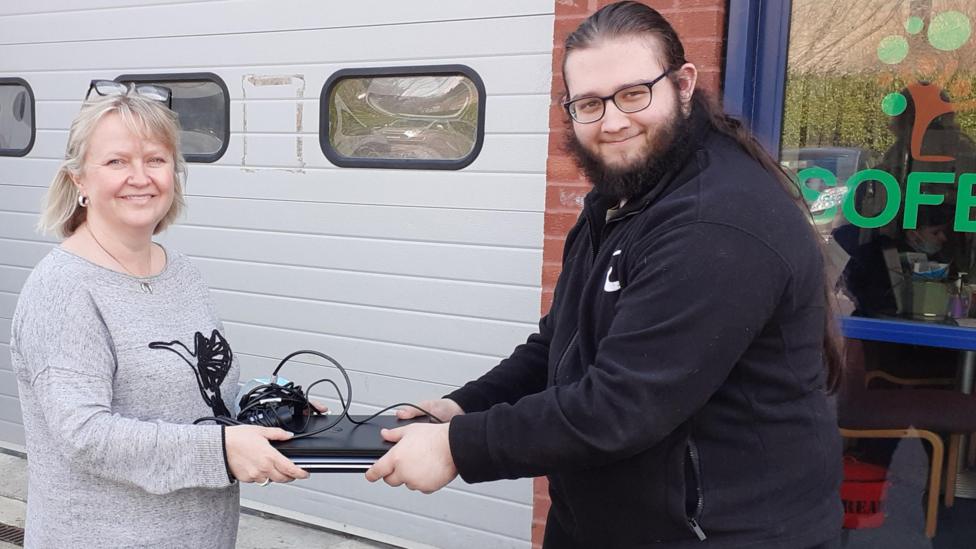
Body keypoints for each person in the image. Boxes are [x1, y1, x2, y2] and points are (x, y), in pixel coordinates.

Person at [365, 3, 844, 547]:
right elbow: (560, 346)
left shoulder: (716, 221)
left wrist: (460, 445)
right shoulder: (621, 199)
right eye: (589, 104)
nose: (612, 121)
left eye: (633, 94)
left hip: (723, 533)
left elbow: (622, 405)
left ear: (683, 85)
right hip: (607, 523)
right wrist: (463, 406)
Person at [10, 83, 308, 548]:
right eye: (116, 161)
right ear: (79, 181)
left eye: (155, 159)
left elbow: (197, 396)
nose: (140, 176)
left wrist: (270, 408)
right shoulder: (64, 289)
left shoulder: (179, 271)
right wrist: (222, 452)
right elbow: (86, 435)